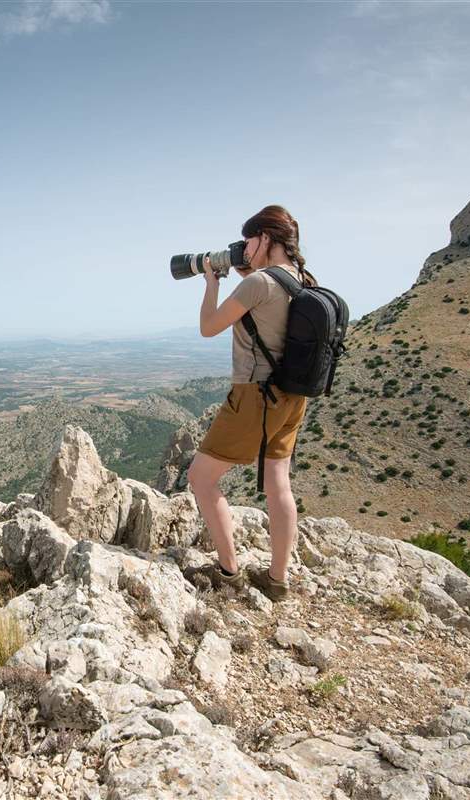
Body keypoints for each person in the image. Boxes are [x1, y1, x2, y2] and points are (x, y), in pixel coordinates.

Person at [187, 205, 319, 601]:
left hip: (253, 395)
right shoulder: (303, 280)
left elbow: (208, 327)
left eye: (249, 240)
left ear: (266, 238)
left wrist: (212, 282)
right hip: (293, 395)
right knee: (278, 484)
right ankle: (277, 580)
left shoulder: (259, 283)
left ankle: (228, 571)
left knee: (201, 478)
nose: (244, 247)